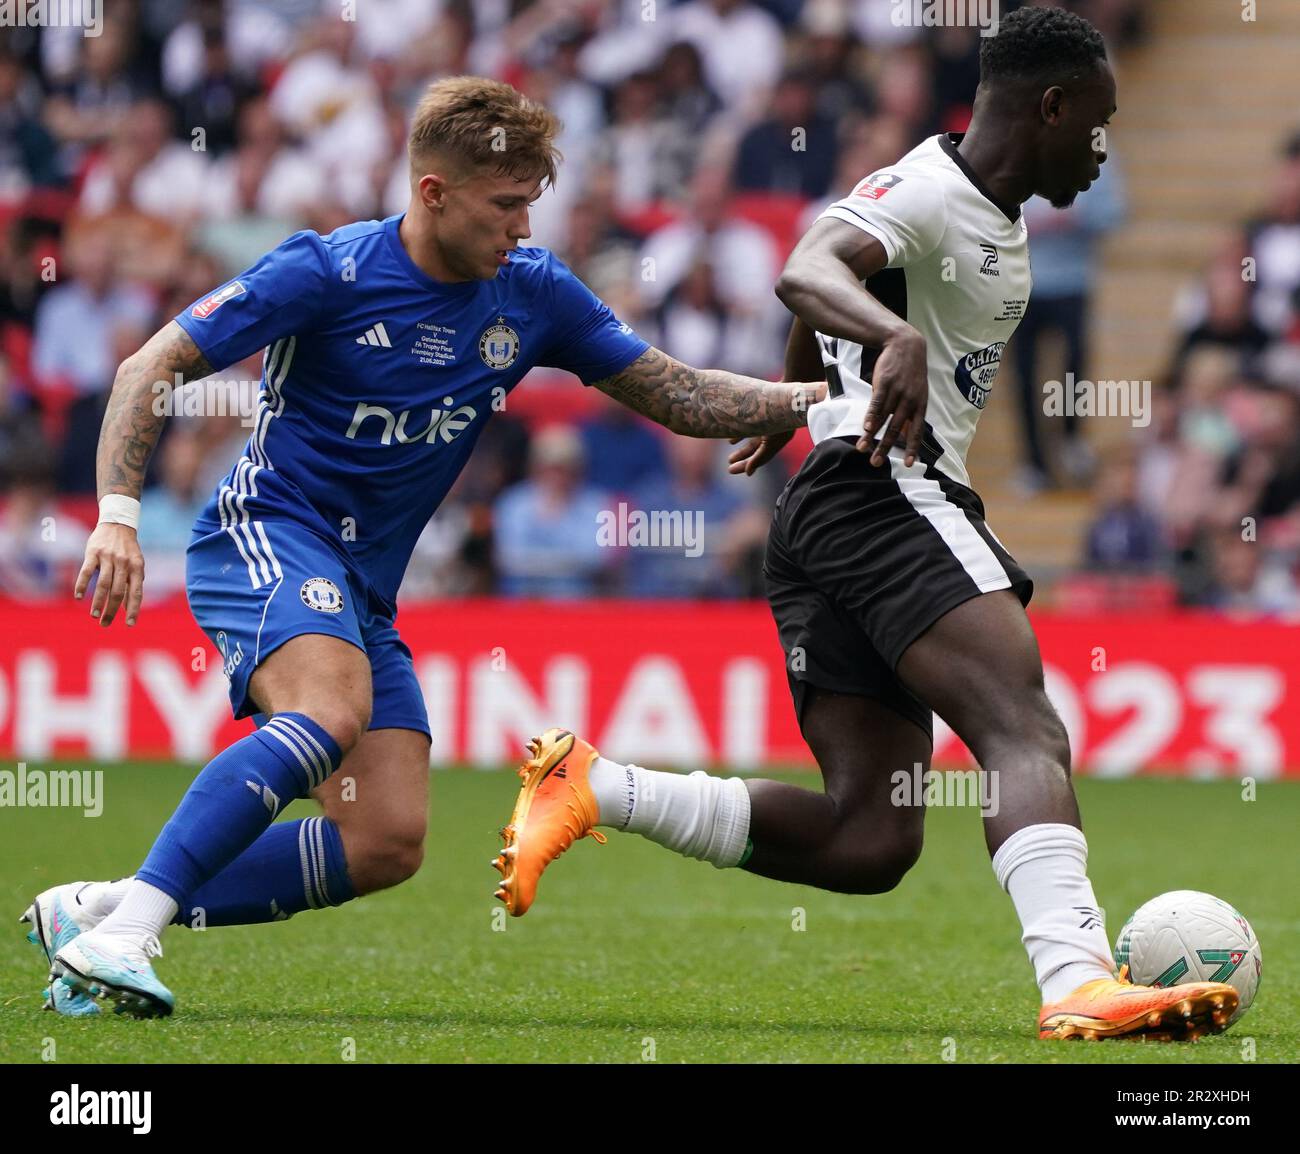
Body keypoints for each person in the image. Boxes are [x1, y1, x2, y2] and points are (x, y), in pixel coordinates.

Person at [495, 8, 1239, 1042]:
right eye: (1098, 126)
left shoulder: (991, 211)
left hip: (830, 509)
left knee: (868, 834)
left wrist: (807, 381)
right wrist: (879, 345)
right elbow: (806, 265)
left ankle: (594, 785)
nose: (1103, 151)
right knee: (1022, 726)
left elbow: (828, 288)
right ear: (1051, 106)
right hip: (885, 489)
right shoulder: (930, 190)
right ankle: (1075, 975)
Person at [22, 76, 825, 1019]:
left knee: (386, 842)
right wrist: (118, 512)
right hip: (268, 534)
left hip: (364, 585)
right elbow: (151, 362)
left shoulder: (532, 294)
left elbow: (678, 392)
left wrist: (820, 403)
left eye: (532, 202)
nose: (523, 227)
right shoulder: (324, 271)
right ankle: (125, 938)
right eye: (504, 204)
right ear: (434, 193)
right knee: (329, 712)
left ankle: (103, 906)